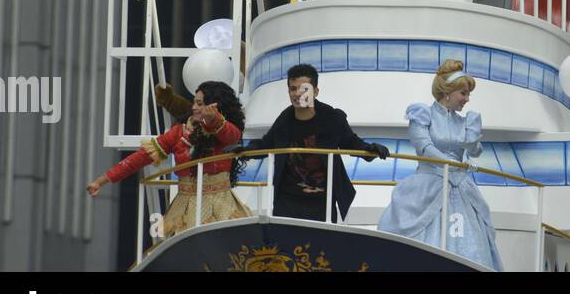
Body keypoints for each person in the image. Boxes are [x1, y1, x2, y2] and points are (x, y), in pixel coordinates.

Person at [376, 59, 503, 270]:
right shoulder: (423, 114)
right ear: (448, 92)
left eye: (468, 94)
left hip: (460, 187)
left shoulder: (465, 121)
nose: (467, 99)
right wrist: (448, 163)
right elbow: (423, 146)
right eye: (463, 93)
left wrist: (472, 141)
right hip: (429, 184)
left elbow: (475, 151)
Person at [85, 81, 250, 237]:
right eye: (194, 103)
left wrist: (215, 120)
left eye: (200, 104)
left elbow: (232, 137)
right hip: (185, 205)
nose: (194, 107)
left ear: (214, 106)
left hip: (221, 203)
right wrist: (102, 180)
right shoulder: (178, 133)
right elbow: (141, 157)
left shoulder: (224, 129)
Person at [232, 63, 389, 222]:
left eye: (304, 89)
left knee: (322, 238)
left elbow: (351, 142)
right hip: (287, 200)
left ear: (316, 91)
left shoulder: (332, 117)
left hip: (322, 201)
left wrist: (371, 149)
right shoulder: (284, 120)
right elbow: (266, 144)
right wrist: (244, 150)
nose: (297, 94)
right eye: (293, 89)